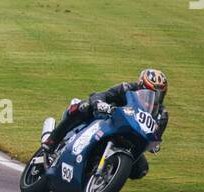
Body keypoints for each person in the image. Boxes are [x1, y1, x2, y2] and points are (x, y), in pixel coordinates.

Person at [41, 68, 169, 175]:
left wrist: (154, 145)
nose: (154, 98)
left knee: (141, 169)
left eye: (159, 94)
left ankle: (107, 175)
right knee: (83, 107)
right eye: (151, 93)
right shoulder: (126, 88)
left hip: (130, 136)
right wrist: (99, 103)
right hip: (106, 119)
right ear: (141, 85)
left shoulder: (162, 115)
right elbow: (102, 95)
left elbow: (156, 137)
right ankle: (52, 140)